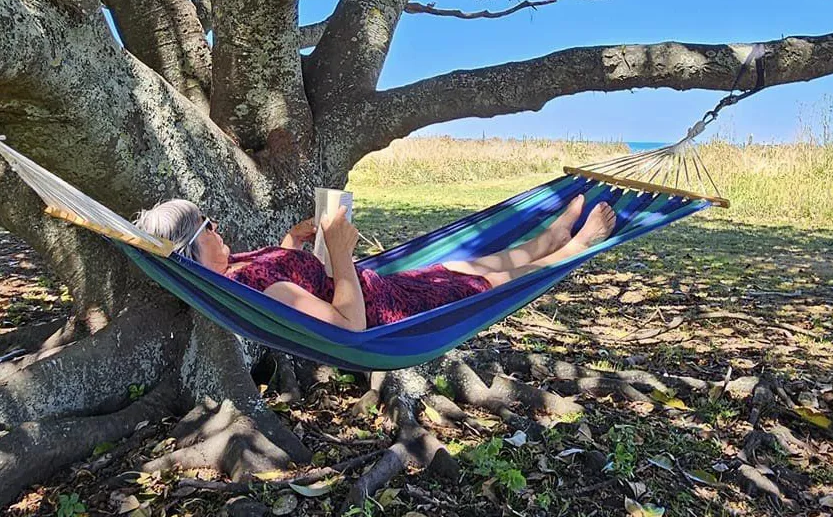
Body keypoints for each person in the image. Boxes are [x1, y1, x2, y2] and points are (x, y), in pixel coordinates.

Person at [135, 195, 616, 332]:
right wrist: (340, 250)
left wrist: (294, 241)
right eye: (209, 226)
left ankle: (549, 238)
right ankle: (572, 249)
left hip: (386, 288)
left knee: (462, 268)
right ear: (193, 249)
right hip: (386, 313)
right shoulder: (263, 294)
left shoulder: (235, 272)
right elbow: (350, 325)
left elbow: (290, 276)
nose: (218, 228)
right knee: (487, 283)